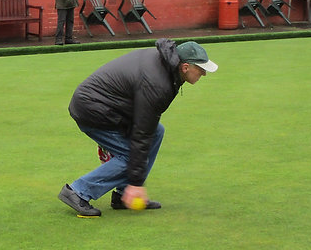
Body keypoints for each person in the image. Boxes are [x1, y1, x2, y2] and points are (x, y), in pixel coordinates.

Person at [58, 40, 217, 217]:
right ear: (185, 67)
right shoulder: (159, 84)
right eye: (201, 70)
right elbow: (141, 132)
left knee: (157, 131)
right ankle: (77, 191)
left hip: (111, 108)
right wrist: (136, 183)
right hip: (92, 110)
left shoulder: (166, 65)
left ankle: (122, 194)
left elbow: (146, 126)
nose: (203, 74)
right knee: (130, 157)